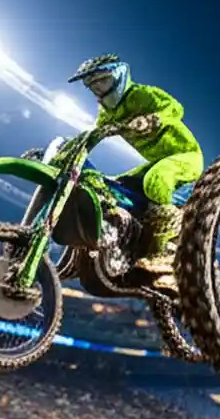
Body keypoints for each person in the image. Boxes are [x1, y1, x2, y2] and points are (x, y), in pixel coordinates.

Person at [66, 54, 204, 280]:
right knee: (117, 185)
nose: (98, 88)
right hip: (156, 162)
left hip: (184, 155)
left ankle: (165, 251)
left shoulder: (140, 94)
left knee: (155, 182)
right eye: (91, 85)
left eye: (103, 80)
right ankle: (133, 235)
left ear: (118, 75)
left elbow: (175, 108)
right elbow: (92, 136)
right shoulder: (107, 113)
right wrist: (66, 150)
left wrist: (152, 120)